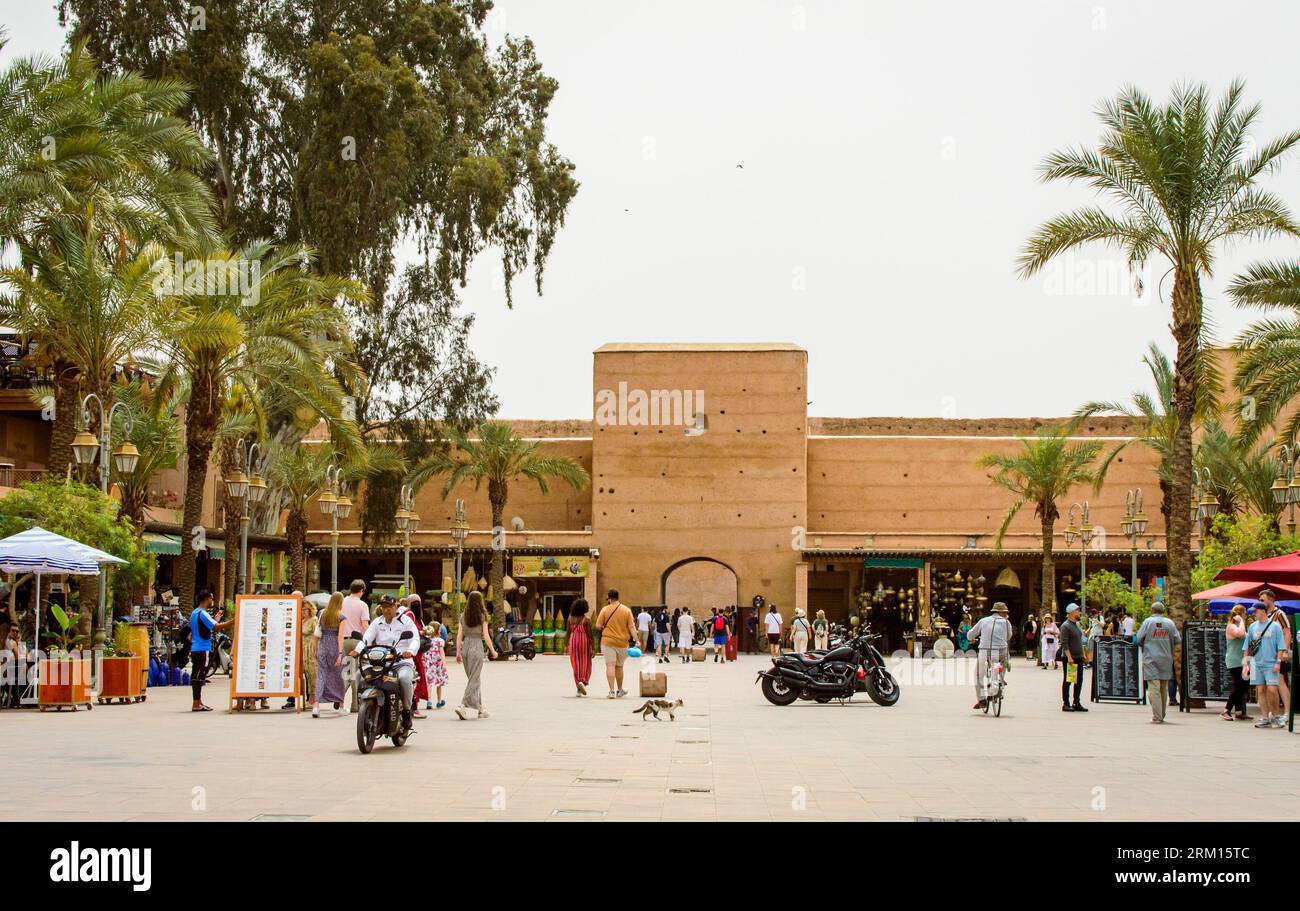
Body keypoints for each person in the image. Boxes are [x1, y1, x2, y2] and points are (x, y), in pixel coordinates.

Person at [359, 594, 421, 726]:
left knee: (404, 679)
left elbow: (415, 639)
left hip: (401, 662)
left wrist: (410, 651)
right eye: (383, 606)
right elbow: (366, 638)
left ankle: (406, 711)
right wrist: (358, 650)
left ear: (396, 606)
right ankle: (365, 706)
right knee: (360, 676)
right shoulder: (377, 622)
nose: (386, 609)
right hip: (381, 663)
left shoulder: (406, 621)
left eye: (389, 606)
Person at [1135, 601, 1181, 724]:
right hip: (1166, 658)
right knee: (1163, 687)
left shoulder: (1148, 622)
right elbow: (1177, 639)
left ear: (1152, 610)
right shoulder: (1170, 623)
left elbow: (1139, 638)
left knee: (1154, 688)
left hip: (1151, 658)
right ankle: (1162, 714)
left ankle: (1157, 716)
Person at [1244, 600, 1288, 729]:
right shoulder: (1252, 627)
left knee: (1272, 689)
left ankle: (1275, 715)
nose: (1254, 614)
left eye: (1255, 611)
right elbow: (1247, 646)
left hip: (1271, 663)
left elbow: (1281, 646)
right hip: (1256, 663)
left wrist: (1278, 662)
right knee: (1261, 690)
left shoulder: (1275, 626)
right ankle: (1264, 717)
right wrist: (1245, 664)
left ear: (1263, 611)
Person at [189, 589, 234, 713]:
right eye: (211, 598)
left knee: (198, 675)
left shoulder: (194, 613)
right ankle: (196, 703)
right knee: (199, 676)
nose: (212, 601)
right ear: (207, 599)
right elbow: (217, 627)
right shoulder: (203, 614)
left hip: (196, 648)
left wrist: (215, 620)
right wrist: (234, 621)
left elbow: (192, 634)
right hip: (202, 649)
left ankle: (199, 702)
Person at [454, 590, 497, 719]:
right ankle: (462, 706)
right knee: (474, 679)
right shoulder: (483, 616)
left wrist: (458, 652)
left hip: (465, 647)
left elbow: (459, 636)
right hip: (477, 646)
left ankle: (480, 709)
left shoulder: (463, 616)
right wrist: (493, 651)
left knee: (474, 679)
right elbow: (486, 636)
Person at [969, 602, 1013, 710]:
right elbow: (1009, 636)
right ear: (1001, 612)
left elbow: (970, 634)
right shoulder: (1007, 622)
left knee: (978, 675)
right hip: (1001, 651)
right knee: (1003, 662)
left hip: (985, 651)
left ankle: (981, 700)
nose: (1006, 614)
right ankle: (1001, 679)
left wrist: (971, 638)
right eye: (1005, 612)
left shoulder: (983, 621)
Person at [594, 589, 636, 697]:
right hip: (623, 643)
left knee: (610, 665)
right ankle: (620, 689)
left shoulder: (604, 610)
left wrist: (605, 627)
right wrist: (636, 639)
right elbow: (631, 626)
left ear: (609, 598)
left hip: (607, 641)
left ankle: (611, 691)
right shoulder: (626, 610)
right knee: (619, 666)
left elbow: (598, 626)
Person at [312, 592, 347, 718]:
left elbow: (317, 632)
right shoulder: (341, 617)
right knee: (338, 676)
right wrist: (340, 653)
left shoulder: (322, 614)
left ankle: (316, 706)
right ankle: (341, 705)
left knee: (321, 675)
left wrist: (315, 648)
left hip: (323, 646)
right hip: (334, 647)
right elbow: (340, 636)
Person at [340, 580, 370, 713]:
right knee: (356, 673)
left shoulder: (342, 602)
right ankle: (355, 704)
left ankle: (339, 698)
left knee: (345, 671)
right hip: (357, 641)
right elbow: (364, 625)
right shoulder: (362, 605)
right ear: (362, 590)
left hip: (343, 640)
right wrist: (370, 639)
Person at [1261, 589, 1292, 719]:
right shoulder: (1263, 615)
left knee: (1280, 681)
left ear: (1270, 600)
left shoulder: (1279, 614)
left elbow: (1287, 632)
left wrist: (1285, 650)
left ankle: (1287, 713)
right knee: (1268, 684)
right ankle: (1273, 712)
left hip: (1277, 654)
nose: (1260, 602)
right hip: (1265, 654)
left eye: (1262, 600)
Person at [1059, 603, 1087, 712]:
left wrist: (1083, 654)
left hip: (1079, 656)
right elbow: (1064, 643)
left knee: (1079, 680)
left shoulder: (1078, 625)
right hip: (1070, 658)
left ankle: (1077, 702)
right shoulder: (1065, 626)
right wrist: (1069, 657)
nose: (1079, 612)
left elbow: (1080, 641)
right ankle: (1066, 703)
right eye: (1077, 610)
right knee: (1069, 680)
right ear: (1071, 612)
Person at [1223, 604, 1249, 721]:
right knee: (1239, 685)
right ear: (1240, 614)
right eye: (1244, 613)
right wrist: (1242, 621)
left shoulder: (1240, 626)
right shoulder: (1231, 626)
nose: (1246, 615)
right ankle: (1226, 710)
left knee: (1243, 685)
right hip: (1234, 660)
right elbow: (1241, 634)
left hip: (1242, 660)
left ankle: (1239, 711)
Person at [422, 616, 449, 710]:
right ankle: (439, 701)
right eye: (440, 630)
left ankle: (429, 701)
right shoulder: (440, 641)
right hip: (437, 663)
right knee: (439, 682)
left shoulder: (426, 640)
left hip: (428, 663)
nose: (441, 631)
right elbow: (442, 652)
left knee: (429, 682)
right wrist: (444, 664)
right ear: (437, 631)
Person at [567, 598, 593, 696]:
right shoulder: (586, 620)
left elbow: (568, 633)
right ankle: (583, 681)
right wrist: (593, 648)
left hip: (574, 642)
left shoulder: (570, 619)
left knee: (576, 664)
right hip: (584, 643)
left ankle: (578, 685)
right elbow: (590, 635)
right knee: (585, 664)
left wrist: (566, 645)